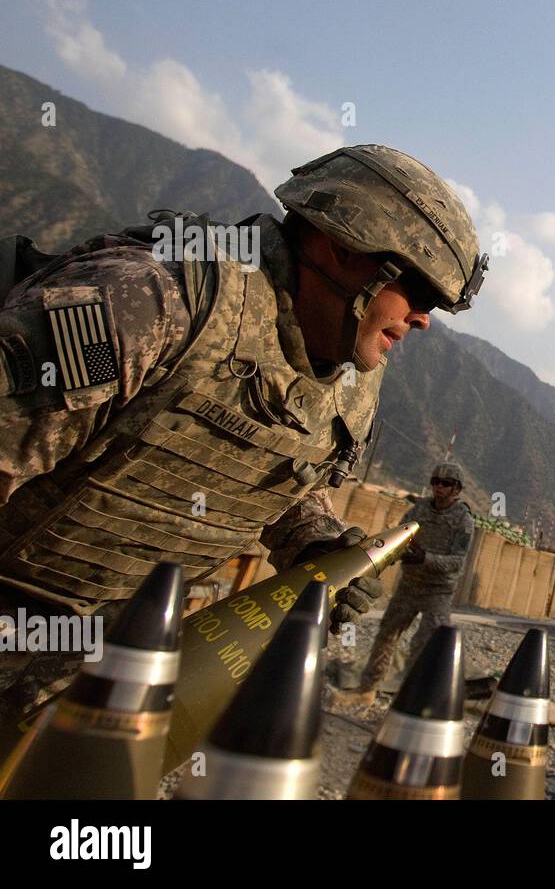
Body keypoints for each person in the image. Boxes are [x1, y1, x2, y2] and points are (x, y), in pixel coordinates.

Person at [0, 145, 487, 725]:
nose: (423, 319)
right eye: (420, 293)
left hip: (108, 671)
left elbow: (287, 476)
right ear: (345, 246)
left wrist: (315, 546)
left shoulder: (350, 376)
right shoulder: (152, 301)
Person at [335, 461, 475, 708]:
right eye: (435, 482)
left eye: (446, 484)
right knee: (387, 635)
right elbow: (400, 537)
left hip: (438, 591)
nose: (439, 487)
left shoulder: (463, 520)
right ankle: (368, 689)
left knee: (425, 643)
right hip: (409, 585)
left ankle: (412, 697)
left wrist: (425, 558)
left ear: (457, 489)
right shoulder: (418, 510)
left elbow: (457, 563)